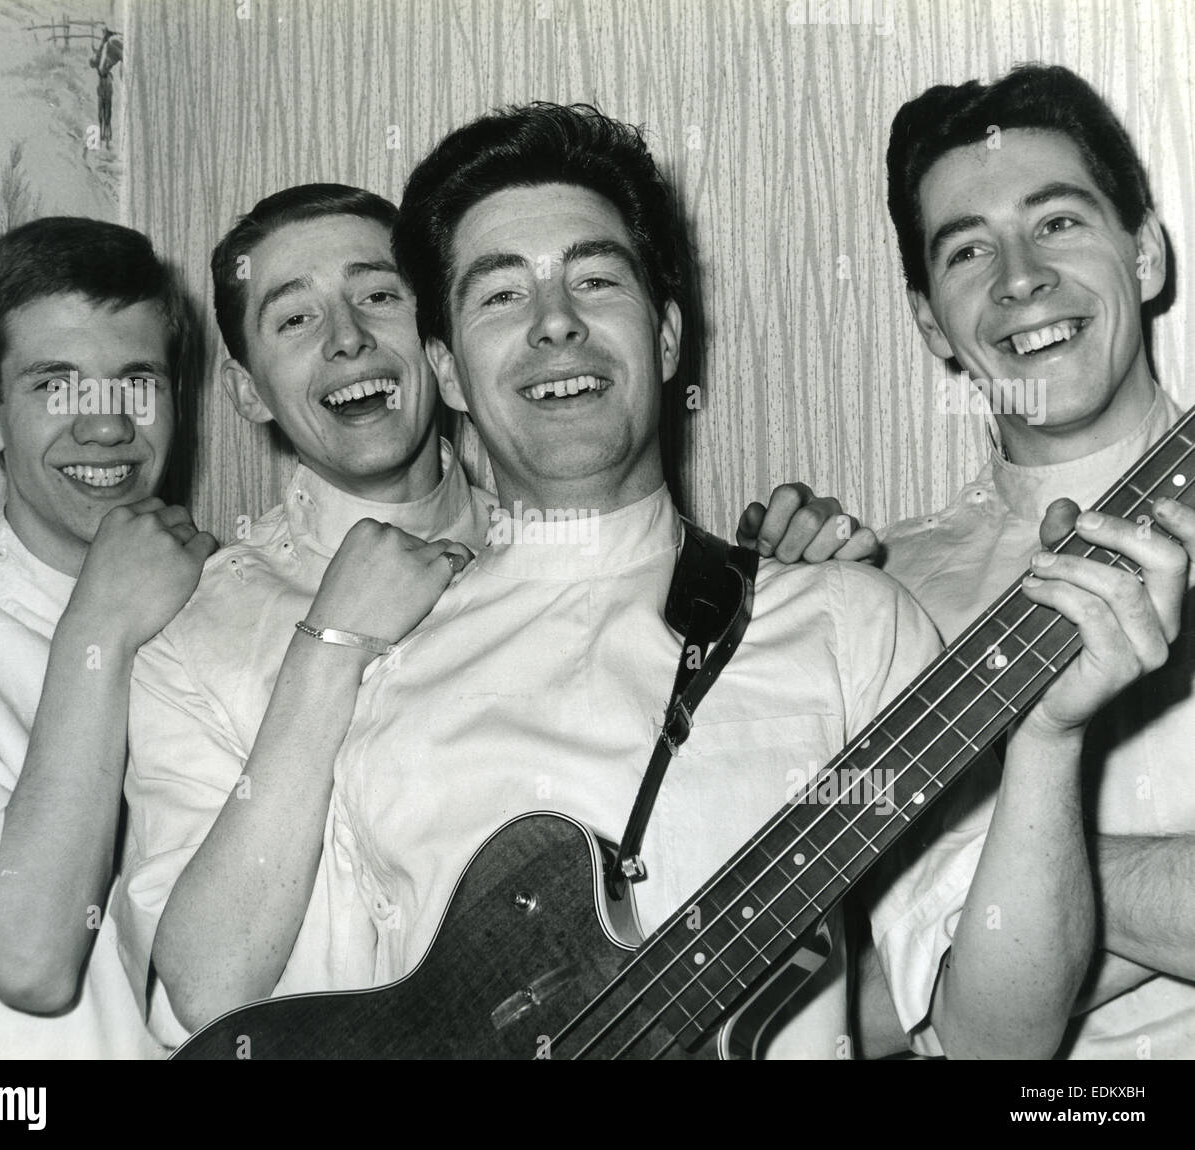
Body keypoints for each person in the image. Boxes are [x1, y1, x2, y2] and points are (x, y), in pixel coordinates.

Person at [169, 104, 1187, 1058]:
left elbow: (994, 1040)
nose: (555, 323)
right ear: (443, 367)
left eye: (595, 280)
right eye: (502, 294)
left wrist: (1049, 743)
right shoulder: (378, 652)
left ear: (664, 337)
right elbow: (247, 1003)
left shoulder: (844, 619)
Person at [118, 182, 873, 1044]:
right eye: (295, 320)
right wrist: (328, 646)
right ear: (246, 389)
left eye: (378, 296)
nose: (349, 339)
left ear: (438, 344)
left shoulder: (584, 546)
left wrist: (785, 585)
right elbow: (206, 985)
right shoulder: (195, 633)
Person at [870, 63, 1195, 1059]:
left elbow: (930, 974)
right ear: (931, 322)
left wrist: (989, 892)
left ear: (1142, 255)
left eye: (1056, 222)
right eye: (968, 250)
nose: (1019, 278)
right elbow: (875, 1016)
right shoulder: (878, 592)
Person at [0, 217, 214, 1058]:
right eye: (54, 385)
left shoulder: (231, 601)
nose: (105, 426)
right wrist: (99, 620)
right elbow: (27, 957)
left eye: (136, 381)